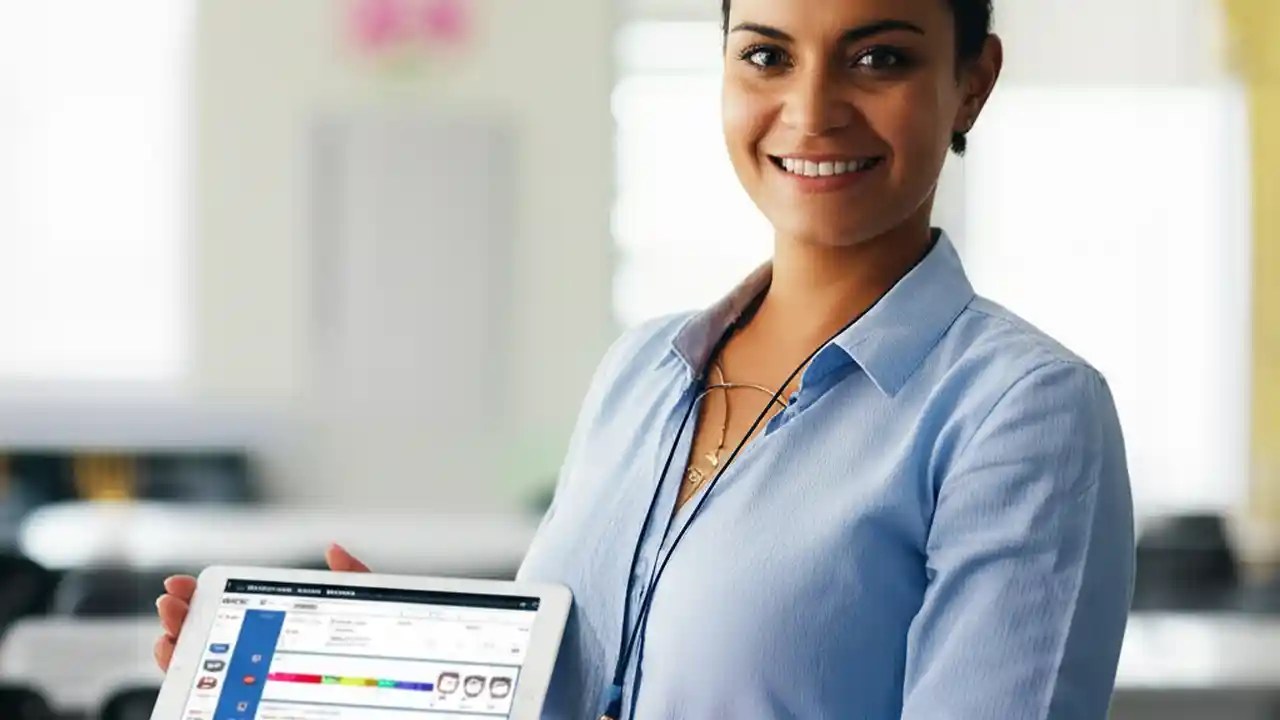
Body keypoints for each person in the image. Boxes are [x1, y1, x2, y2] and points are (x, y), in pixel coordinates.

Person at [156, 0, 1135, 717]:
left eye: (875, 57)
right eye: (764, 55)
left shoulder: (1024, 412)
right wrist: (372, 680)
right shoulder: (641, 371)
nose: (810, 108)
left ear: (970, 80)